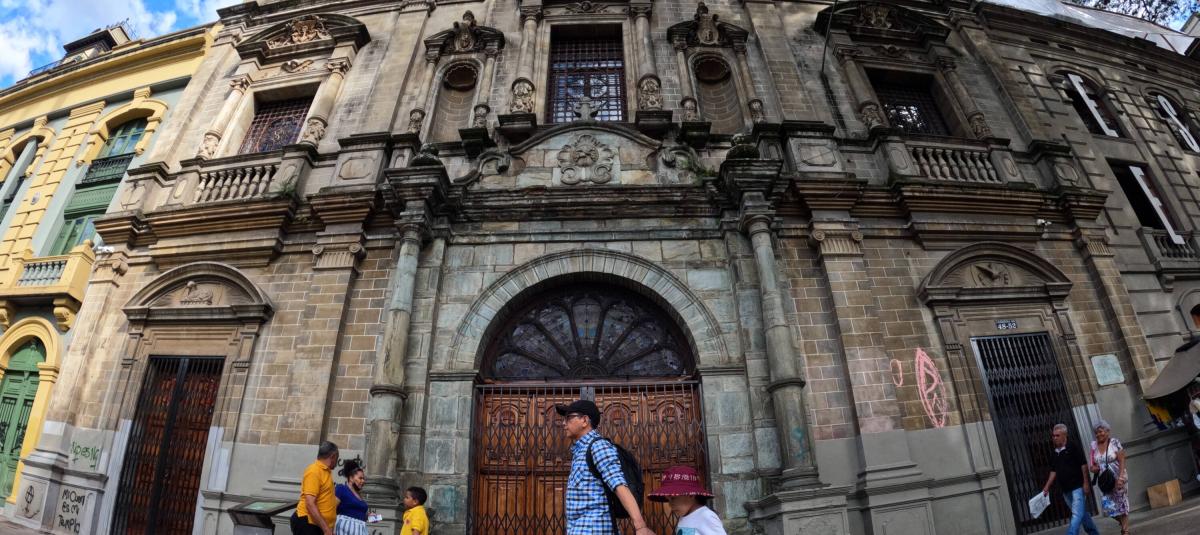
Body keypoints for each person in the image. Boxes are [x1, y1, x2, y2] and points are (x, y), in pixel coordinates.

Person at [556, 399, 653, 535]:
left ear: (584, 420)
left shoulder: (598, 446)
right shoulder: (580, 450)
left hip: (594, 528)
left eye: (568, 418)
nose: (563, 423)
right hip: (580, 528)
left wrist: (640, 526)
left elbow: (619, 485)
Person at [1041, 424, 1098, 535]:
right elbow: (1053, 471)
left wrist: (1086, 483)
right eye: (1053, 436)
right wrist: (1046, 487)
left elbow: (1083, 465)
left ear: (1064, 435)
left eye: (1057, 435)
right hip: (1065, 490)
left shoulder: (1073, 447)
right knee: (1081, 513)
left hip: (1077, 487)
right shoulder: (1054, 452)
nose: (1054, 438)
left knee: (1076, 514)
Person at [648, 465, 725, 535]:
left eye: (673, 498)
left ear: (691, 494)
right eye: (668, 500)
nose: (670, 504)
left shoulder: (706, 516)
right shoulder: (684, 517)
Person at [1090, 420, 1131, 535]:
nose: (1098, 434)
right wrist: (1093, 469)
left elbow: (1122, 459)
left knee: (1121, 503)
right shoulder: (1093, 446)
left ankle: (1125, 531)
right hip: (1105, 480)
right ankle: (1123, 523)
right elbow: (1092, 465)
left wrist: (1121, 478)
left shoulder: (1114, 442)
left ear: (1107, 431)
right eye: (1096, 433)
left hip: (1118, 477)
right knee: (1108, 508)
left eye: (1101, 431)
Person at [292, 441, 339, 535]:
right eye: (337, 458)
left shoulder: (325, 471)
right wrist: (326, 529)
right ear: (333, 456)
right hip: (308, 524)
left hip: (318, 525)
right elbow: (310, 504)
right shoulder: (314, 471)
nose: (337, 461)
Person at [334, 458, 369, 535]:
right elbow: (331, 509)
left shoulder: (360, 495)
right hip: (344, 530)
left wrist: (369, 517)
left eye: (363, 478)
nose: (363, 481)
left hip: (361, 530)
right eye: (360, 478)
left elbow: (359, 514)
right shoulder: (341, 489)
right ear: (351, 478)